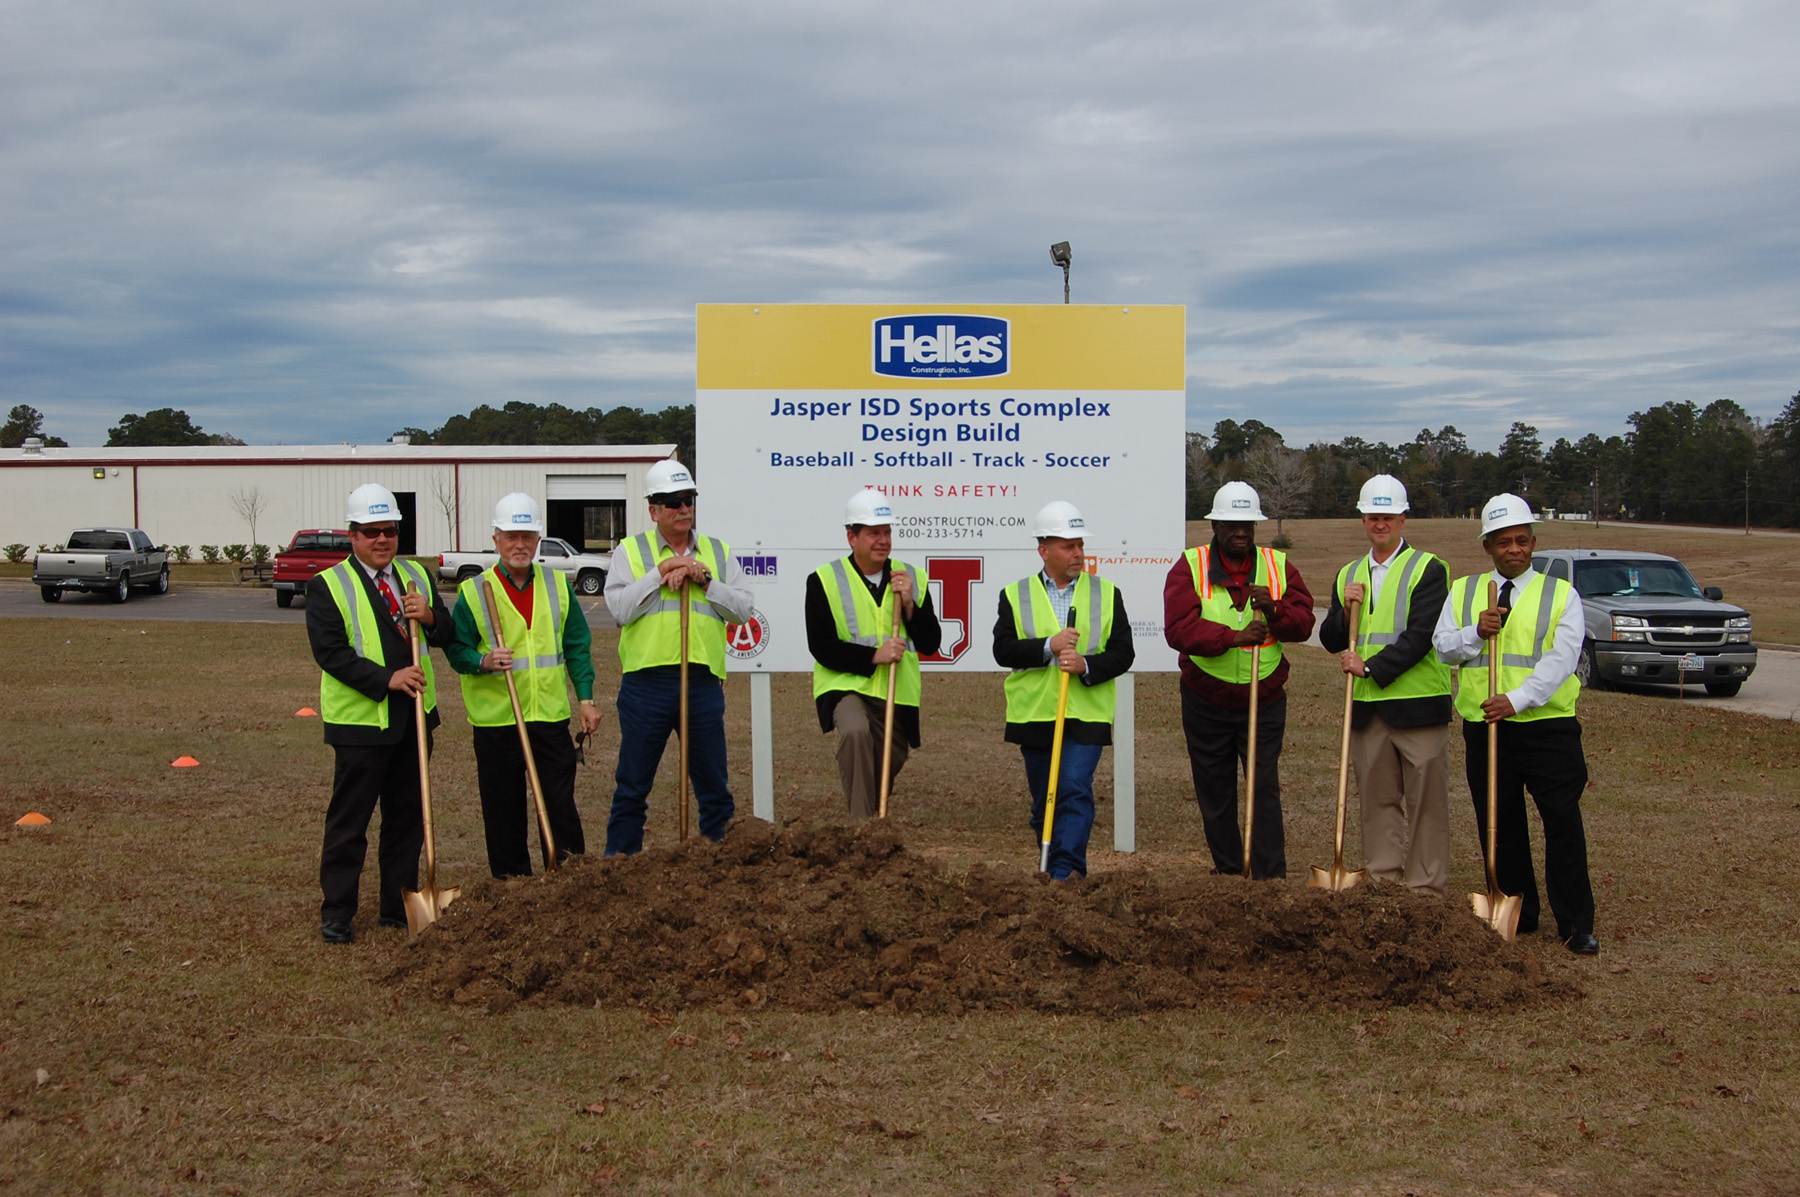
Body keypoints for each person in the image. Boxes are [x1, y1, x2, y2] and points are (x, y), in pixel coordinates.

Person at [1433, 492, 1599, 954]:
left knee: (1561, 823)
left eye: (1522, 540)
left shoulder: (1561, 594)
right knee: (1499, 823)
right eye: (1503, 541)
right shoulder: (1465, 591)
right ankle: (1518, 912)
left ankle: (1576, 923)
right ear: (1487, 545)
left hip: (1547, 728)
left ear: (1533, 542)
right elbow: (1444, 647)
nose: (1514, 549)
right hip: (1486, 728)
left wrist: (1518, 699)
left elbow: (1561, 660)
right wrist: (1475, 633)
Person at [306, 482, 452, 944]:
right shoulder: (327, 586)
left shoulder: (416, 577)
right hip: (361, 726)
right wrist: (386, 679)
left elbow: (446, 634)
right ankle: (338, 912)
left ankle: (397, 905)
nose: (382, 540)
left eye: (389, 530)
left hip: (412, 723)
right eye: (371, 532)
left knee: (407, 819)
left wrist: (429, 617)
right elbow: (330, 652)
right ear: (352, 535)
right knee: (350, 822)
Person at [1163, 481, 1315, 878]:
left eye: (1247, 523)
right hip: (1205, 700)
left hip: (1262, 701)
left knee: (1262, 789)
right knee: (1215, 793)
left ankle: (1270, 879)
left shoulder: (1278, 566)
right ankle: (1229, 873)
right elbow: (1178, 629)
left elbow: (1304, 625)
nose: (1241, 532)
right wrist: (1232, 637)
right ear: (1214, 526)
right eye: (1231, 524)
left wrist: (1276, 609)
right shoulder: (1190, 566)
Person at [446, 492, 602, 877]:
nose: (520, 545)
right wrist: (484, 661)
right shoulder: (473, 591)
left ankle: (569, 877)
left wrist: (586, 698)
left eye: (527, 537)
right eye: (511, 536)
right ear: (496, 539)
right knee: (503, 809)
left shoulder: (558, 585)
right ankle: (512, 884)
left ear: (538, 539)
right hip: (497, 721)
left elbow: (577, 646)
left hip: (548, 716)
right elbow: (456, 649)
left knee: (560, 804)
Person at [602, 460, 754, 853]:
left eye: (688, 499)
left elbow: (742, 610)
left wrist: (704, 579)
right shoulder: (630, 552)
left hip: (702, 683)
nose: (683, 508)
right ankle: (620, 871)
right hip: (646, 684)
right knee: (633, 787)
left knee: (714, 789)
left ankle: (719, 869)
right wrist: (661, 572)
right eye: (672, 502)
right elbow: (620, 610)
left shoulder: (717, 553)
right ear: (653, 510)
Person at [1317, 475, 1454, 893]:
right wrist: (1344, 613)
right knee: (1376, 803)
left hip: (1418, 706)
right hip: (1367, 712)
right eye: (1373, 516)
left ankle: (1425, 888)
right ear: (1363, 520)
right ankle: (1383, 881)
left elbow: (1420, 635)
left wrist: (1370, 668)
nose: (1380, 524)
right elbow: (1329, 639)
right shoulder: (1348, 574)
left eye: (1388, 516)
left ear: (1403, 519)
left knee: (1427, 804)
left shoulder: (1429, 569)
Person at [992, 501, 1134, 881]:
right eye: (1068, 546)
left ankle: (1066, 874)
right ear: (1044, 551)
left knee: (1072, 786)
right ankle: (1052, 866)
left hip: (1087, 711)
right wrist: (1047, 646)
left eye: (1080, 545)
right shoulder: (1015, 594)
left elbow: (1123, 653)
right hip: (1035, 713)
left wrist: (1086, 665)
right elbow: (1002, 650)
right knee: (1045, 802)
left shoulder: (1106, 593)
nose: (1078, 554)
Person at [806, 487, 943, 819]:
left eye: (886, 532)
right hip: (846, 688)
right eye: (873, 533)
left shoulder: (911, 579)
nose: (882, 540)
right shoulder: (823, 580)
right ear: (852, 537)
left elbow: (930, 642)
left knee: (885, 765)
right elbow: (821, 646)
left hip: (897, 695)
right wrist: (872, 656)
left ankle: (870, 832)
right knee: (854, 733)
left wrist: (910, 603)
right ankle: (863, 836)